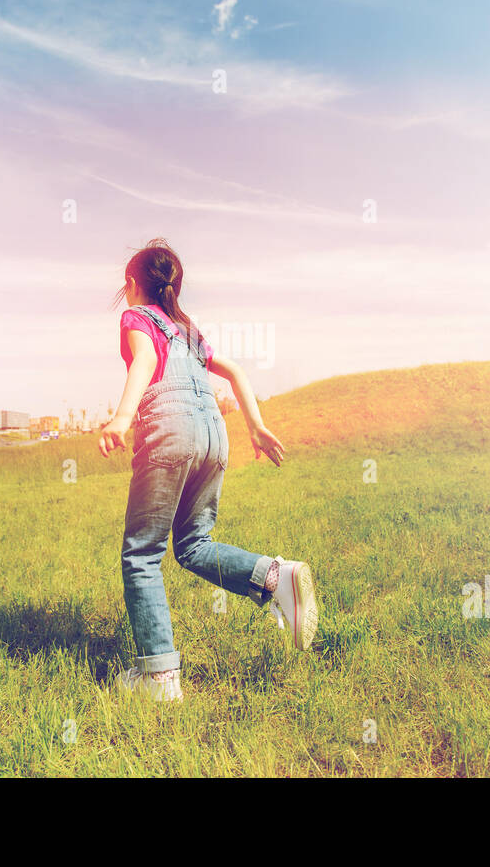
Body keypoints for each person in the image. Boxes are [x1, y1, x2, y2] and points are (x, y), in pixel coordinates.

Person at [99, 239, 317, 701]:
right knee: (194, 546)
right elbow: (235, 370)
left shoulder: (137, 318)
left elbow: (145, 359)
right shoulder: (188, 330)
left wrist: (121, 417)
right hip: (215, 436)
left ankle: (158, 679)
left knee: (141, 554)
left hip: (170, 430)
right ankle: (276, 577)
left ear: (132, 284)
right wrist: (256, 428)